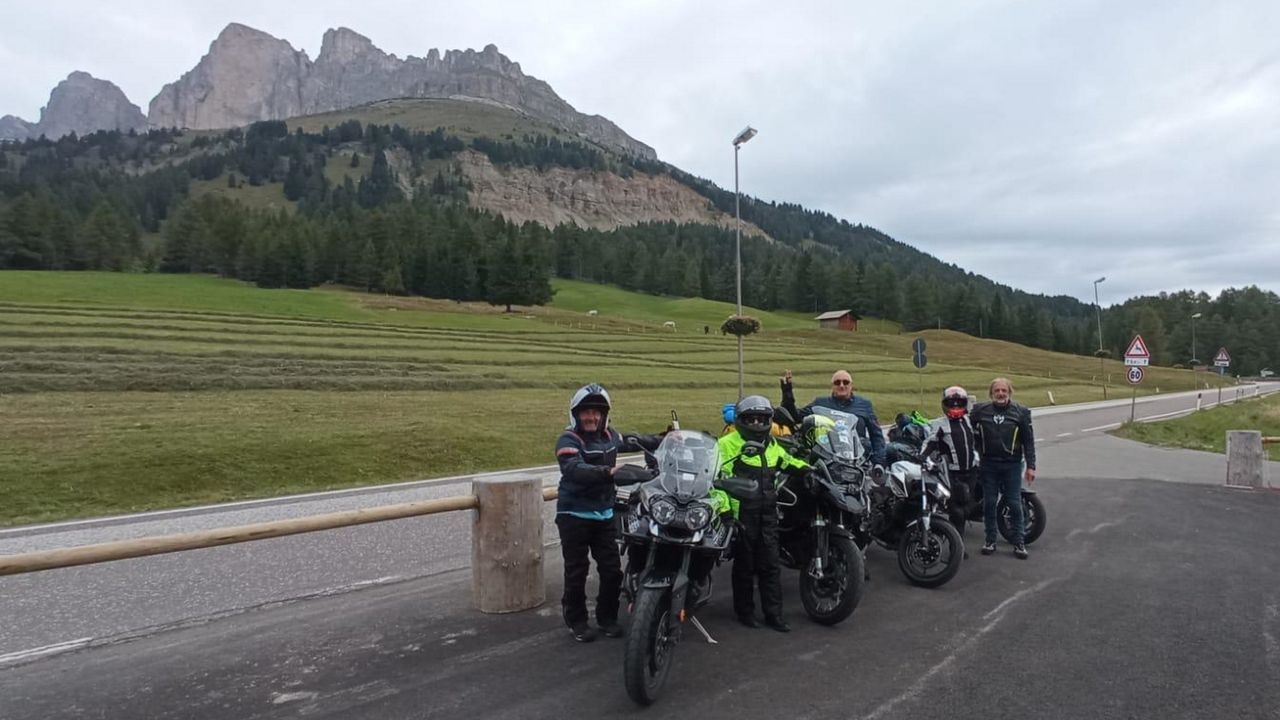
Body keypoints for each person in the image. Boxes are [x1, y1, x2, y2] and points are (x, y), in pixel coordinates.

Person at [553, 383, 661, 642]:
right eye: (586, 412)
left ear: (604, 415)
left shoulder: (609, 436)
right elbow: (573, 469)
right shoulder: (568, 440)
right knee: (577, 570)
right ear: (575, 414)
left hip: (603, 514)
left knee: (612, 569)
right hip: (574, 514)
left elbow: (634, 440)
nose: (591, 417)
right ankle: (577, 621)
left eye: (596, 412)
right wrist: (609, 472)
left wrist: (665, 438)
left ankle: (607, 618)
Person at [716, 395, 810, 633]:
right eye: (751, 419)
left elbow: (786, 460)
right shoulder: (726, 444)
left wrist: (808, 469)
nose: (757, 424)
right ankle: (745, 612)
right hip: (741, 514)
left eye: (761, 419)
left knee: (770, 564)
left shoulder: (771, 443)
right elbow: (717, 481)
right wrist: (726, 512)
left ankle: (774, 615)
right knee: (744, 565)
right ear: (741, 420)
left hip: (768, 511)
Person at [969, 377, 1036, 559]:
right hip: (988, 464)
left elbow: (1028, 441)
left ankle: (1019, 542)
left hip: (1012, 464)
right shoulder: (980, 411)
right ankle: (990, 540)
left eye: (1004, 391)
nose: (1000, 394)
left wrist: (1031, 466)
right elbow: (967, 429)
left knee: (1014, 503)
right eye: (997, 390)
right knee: (989, 503)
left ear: (1009, 392)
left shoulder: (1020, 413)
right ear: (991, 393)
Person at [780, 369, 886, 464]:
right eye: (837, 382)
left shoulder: (864, 405)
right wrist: (787, 394)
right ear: (832, 386)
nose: (841, 385)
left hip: (856, 461)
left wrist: (878, 463)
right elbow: (795, 417)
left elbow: (876, 436)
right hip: (826, 459)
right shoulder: (820, 403)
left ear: (851, 385)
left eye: (845, 382)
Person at [925, 386, 980, 531]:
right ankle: (957, 546)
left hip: (972, 470)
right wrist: (921, 457)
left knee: (969, 506)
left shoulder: (969, 420)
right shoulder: (939, 424)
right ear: (945, 404)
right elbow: (929, 444)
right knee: (957, 511)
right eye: (951, 403)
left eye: (959, 402)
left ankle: (954, 535)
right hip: (952, 473)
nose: (955, 406)